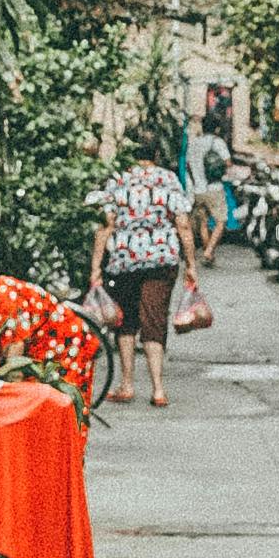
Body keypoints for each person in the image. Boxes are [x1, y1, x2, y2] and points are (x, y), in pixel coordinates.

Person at [89, 134, 196, 408]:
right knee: (154, 320)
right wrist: (191, 264)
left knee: (125, 322)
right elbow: (183, 224)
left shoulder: (119, 180)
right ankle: (158, 389)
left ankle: (126, 384)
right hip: (161, 261)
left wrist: (96, 267)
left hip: (124, 261)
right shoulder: (168, 179)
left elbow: (105, 225)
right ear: (156, 154)